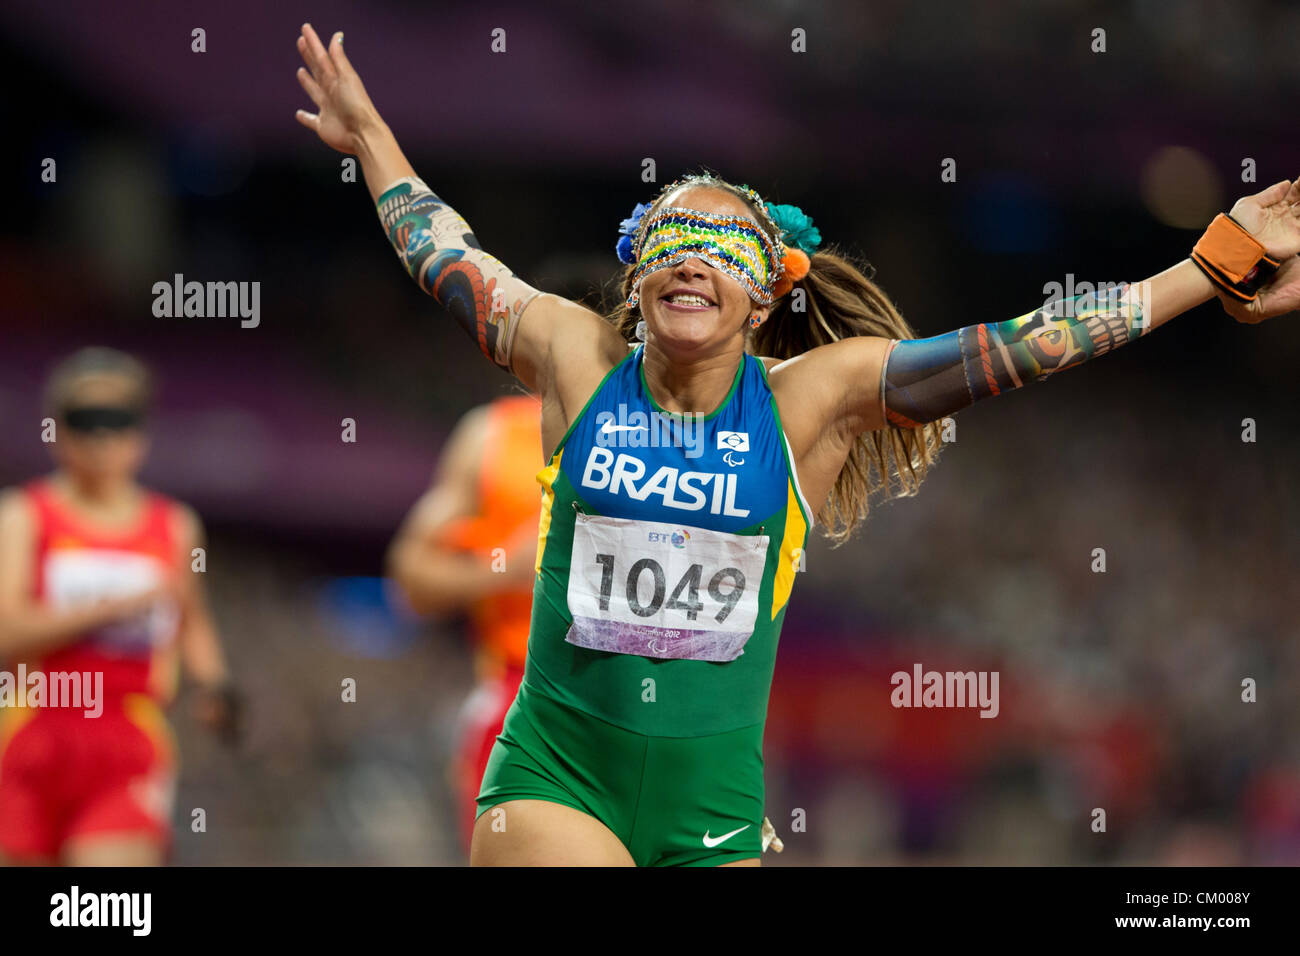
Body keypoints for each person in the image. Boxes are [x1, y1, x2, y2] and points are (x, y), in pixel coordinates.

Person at [293, 22, 1300, 865]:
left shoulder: (811, 398)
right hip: (556, 776)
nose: (691, 263)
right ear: (634, 280)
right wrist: (373, 139)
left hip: (715, 811)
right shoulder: (573, 354)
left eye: (721, 249)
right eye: (668, 245)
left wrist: (1211, 265)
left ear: (765, 290)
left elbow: (1023, 347)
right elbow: (446, 256)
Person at [0, 347, 240, 866]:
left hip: (126, 739)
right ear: (58, 431)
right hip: (32, 729)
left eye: (120, 421)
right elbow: (7, 633)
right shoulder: (24, 516)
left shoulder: (174, 526)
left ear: (142, 432)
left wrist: (214, 683)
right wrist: (109, 608)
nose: (104, 439)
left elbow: (192, 618)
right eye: (87, 422)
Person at [386, 393, 542, 855]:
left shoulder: (686, 425)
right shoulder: (495, 435)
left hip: (666, 704)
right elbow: (409, 576)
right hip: (522, 701)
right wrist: (506, 570)